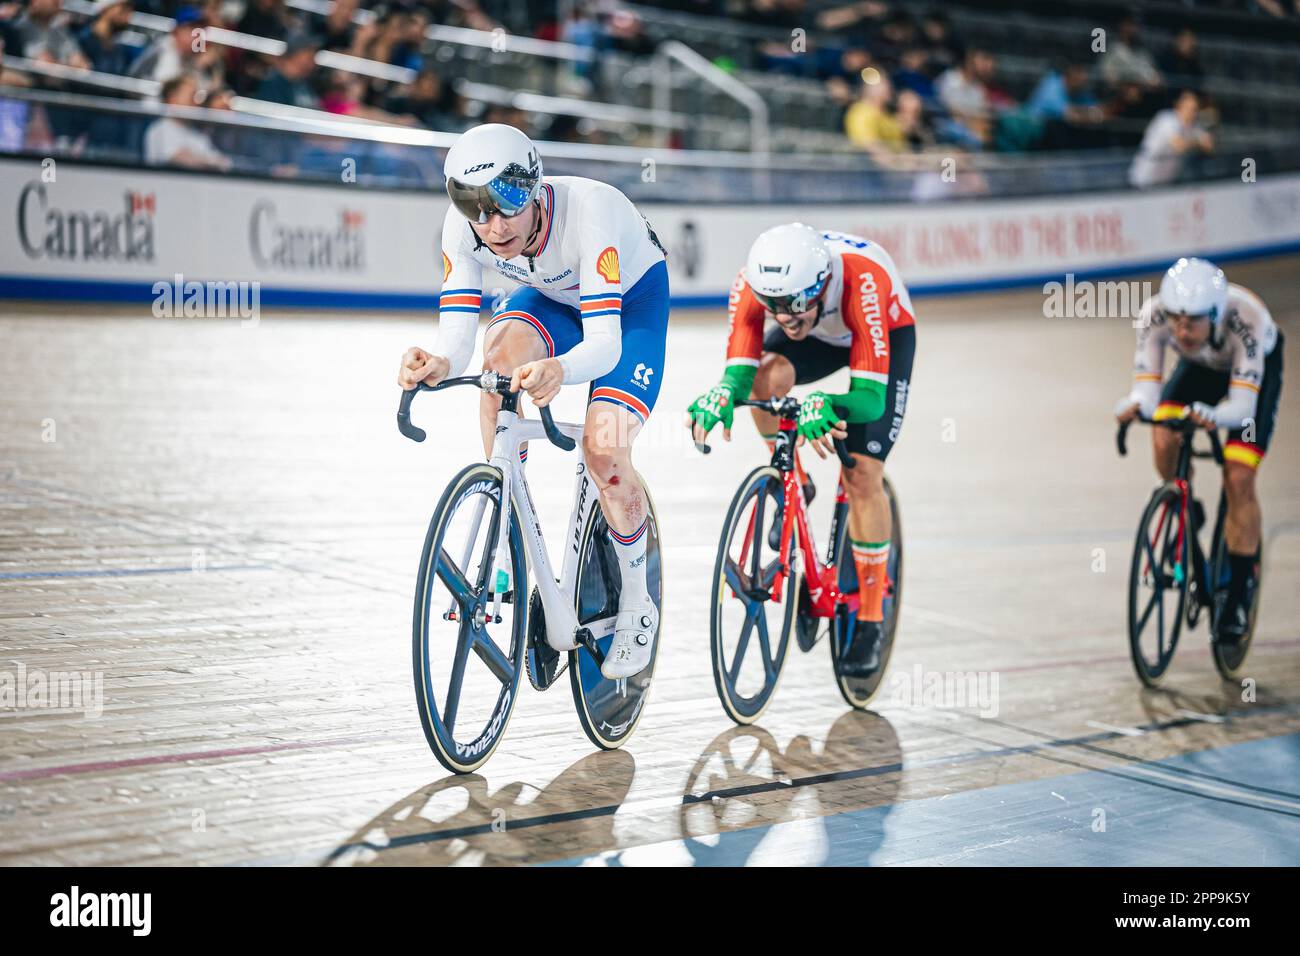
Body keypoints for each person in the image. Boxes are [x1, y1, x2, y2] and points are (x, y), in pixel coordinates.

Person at [396, 124, 670, 680]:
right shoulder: (466, 227)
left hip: (629, 307)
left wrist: (559, 369)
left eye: (506, 206)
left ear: (535, 186)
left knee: (602, 450)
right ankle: (507, 540)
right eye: (476, 208)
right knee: (496, 369)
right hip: (553, 298)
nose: (493, 227)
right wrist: (440, 362)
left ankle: (639, 604)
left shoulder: (590, 211)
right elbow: (457, 336)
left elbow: (604, 344)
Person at [686, 224, 916, 677]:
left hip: (878, 334)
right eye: (774, 308)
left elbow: (869, 397)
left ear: (822, 282)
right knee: (762, 382)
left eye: (795, 305)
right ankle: (797, 482)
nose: (786, 318)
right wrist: (719, 397)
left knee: (862, 473)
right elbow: (738, 374)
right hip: (820, 339)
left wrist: (827, 403)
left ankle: (870, 615)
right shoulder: (756, 286)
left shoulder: (860, 279)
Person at [1115, 258, 1284, 641]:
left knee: (1238, 476)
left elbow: (1242, 408)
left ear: (1215, 313)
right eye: (1175, 319)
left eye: (1192, 321)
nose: (1181, 329)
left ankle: (1239, 594)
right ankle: (1185, 503)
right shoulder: (1153, 316)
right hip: (1201, 369)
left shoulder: (1248, 320)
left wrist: (1216, 415)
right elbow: (1146, 389)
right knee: (1163, 431)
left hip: (1252, 373)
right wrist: (1134, 407)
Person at [1128, 88, 1212, 189]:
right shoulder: (1166, 119)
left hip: (1166, 183)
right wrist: (1198, 142)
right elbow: (1178, 146)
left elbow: (1209, 147)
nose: (1192, 113)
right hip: (1144, 181)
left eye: (1195, 109)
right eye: (1188, 108)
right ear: (1179, 105)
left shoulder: (1194, 126)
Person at [143, 73, 230, 170]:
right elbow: (179, 159)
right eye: (192, 97)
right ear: (173, 100)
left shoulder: (196, 133)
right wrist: (209, 161)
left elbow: (224, 162)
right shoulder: (160, 129)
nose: (196, 102)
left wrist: (206, 160)